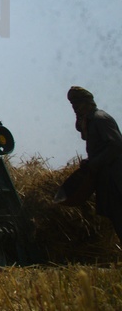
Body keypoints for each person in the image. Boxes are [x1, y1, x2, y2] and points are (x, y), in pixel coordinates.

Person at [68, 86, 122, 243]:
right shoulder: (90, 121)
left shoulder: (99, 119)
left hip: (116, 178)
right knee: (116, 217)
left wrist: (95, 163)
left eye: (77, 104)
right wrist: (90, 162)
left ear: (88, 103)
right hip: (107, 177)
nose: (75, 109)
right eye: (73, 105)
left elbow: (116, 145)